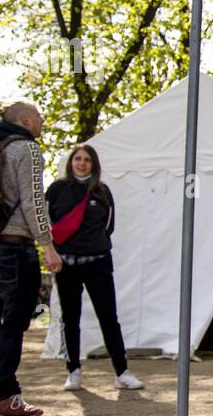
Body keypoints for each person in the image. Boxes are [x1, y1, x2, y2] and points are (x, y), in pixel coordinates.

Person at [0, 102, 63, 416]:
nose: (42, 120)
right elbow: (34, 200)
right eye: (38, 116)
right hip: (13, 247)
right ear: (25, 120)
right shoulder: (27, 149)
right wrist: (47, 245)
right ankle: (6, 394)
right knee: (13, 321)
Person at [46, 144, 144, 392]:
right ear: (71, 163)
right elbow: (46, 225)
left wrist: (92, 244)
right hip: (67, 263)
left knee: (109, 317)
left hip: (98, 261)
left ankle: (122, 372)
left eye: (87, 160)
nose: (82, 163)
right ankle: (73, 371)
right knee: (70, 319)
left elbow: (108, 226)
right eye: (77, 159)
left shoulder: (101, 191)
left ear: (94, 164)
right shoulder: (57, 190)